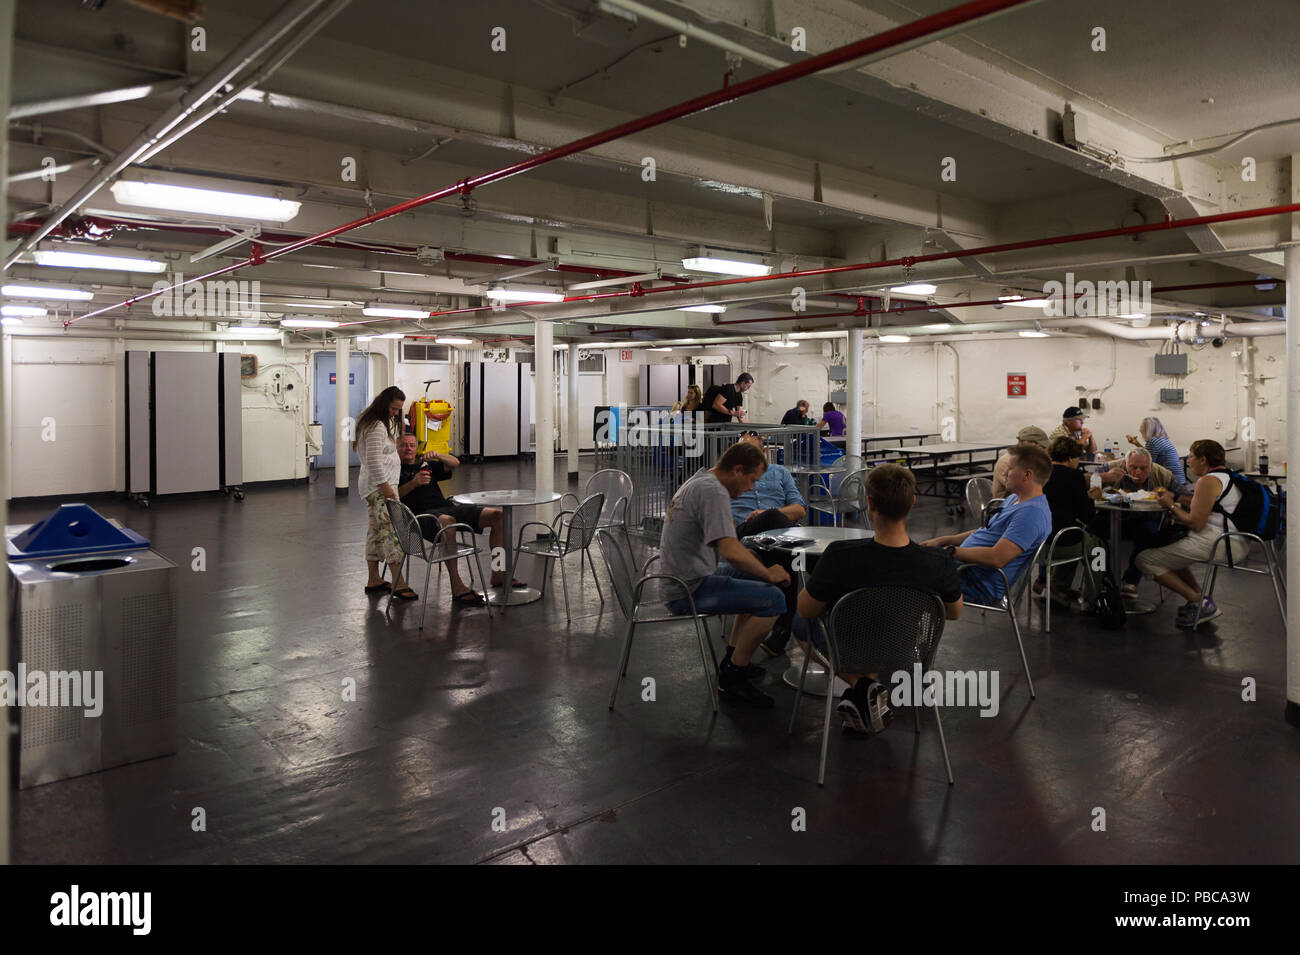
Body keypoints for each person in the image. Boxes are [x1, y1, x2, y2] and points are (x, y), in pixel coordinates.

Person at [794, 464, 963, 734]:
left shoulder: (840, 555)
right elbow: (954, 612)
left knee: (799, 624)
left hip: (848, 651)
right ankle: (868, 691)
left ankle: (861, 688)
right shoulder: (937, 563)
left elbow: (806, 609)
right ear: (912, 503)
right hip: (903, 654)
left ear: (869, 502)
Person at [659, 441, 791, 707]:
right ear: (737, 470)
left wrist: (756, 568)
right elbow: (730, 550)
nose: (752, 489)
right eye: (751, 480)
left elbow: (726, 541)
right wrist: (768, 573)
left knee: (753, 579)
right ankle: (733, 677)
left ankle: (733, 657)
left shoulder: (700, 479)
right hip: (688, 589)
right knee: (774, 599)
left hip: (679, 578)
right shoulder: (713, 492)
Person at [922, 442, 1053, 604]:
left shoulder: (1032, 514)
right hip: (965, 569)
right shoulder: (1014, 499)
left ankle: (914, 625)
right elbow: (986, 530)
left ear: (1027, 475)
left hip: (977, 583)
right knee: (909, 566)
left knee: (908, 577)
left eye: (1010, 468)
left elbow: (997, 558)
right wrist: (944, 540)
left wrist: (950, 551)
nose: (1004, 473)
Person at [396, 433, 517, 606]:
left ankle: (498, 573)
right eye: (404, 445)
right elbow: (393, 497)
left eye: (412, 445)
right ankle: (456, 584)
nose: (408, 448)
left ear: (417, 448)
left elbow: (455, 463)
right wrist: (414, 483)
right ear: (397, 448)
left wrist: (437, 455)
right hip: (420, 517)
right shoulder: (393, 469)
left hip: (446, 508)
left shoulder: (425, 465)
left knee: (497, 516)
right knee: (447, 522)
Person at [1138, 440, 1249, 628]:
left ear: (1203, 460)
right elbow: (1206, 507)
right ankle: (1202, 599)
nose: (1188, 461)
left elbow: (1196, 523)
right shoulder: (1228, 476)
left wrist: (1171, 505)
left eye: (1191, 457)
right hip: (1239, 540)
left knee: (1144, 559)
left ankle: (1198, 600)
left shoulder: (1208, 481)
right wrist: (1175, 499)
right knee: (1168, 550)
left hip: (1221, 543)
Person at [731, 431, 806, 658]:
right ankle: (787, 624)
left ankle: (782, 630)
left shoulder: (780, 473)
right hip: (743, 534)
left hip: (775, 538)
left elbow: (799, 508)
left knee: (783, 548)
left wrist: (770, 514)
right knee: (785, 540)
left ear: (763, 453)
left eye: (752, 452)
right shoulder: (732, 476)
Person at [356, 386, 417, 600]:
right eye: (393, 408)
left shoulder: (374, 423)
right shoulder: (377, 427)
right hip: (380, 489)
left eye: (399, 410)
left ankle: (374, 579)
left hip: (374, 488)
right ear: (384, 404)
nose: (396, 413)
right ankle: (398, 582)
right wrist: (386, 486)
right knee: (392, 534)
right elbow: (373, 459)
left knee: (375, 533)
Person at [1088, 448, 1171, 597]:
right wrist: (1105, 477)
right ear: (1126, 464)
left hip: (1143, 520)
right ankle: (1102, 577)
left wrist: (1170, 495)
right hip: (1113, 518)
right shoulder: (1113, 466)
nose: (1138, 472)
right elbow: (1090, 480)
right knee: (1092, 531)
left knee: (1148, 532)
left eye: (1143, 468)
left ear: (1151, 467)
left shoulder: (1162, 473)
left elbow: (1185, 496)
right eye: (1133, 467)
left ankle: (1131, 581)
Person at [1038, 436, 1100, 605]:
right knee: (1097, 546)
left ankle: (1057, 587)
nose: (1078, 462)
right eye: (1078, 458)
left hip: (1036, 543)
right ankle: (1094, 594)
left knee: (1074, 534)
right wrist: (1091, 499)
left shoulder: (1040, 473)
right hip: (1059, 543)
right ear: (1071, 458)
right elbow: (1086, 514)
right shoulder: (1074, 476)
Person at [1126, 416, 1188, 489]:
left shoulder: (1152, 442)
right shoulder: (1162, 439)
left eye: (1141, 427)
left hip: (1170, 482)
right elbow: (1148, 455)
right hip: (1180, 480)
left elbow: (1148, 464)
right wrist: (1136, 443)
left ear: (1148, 429)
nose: (1140, 430)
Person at [992, 426, 1049, 498]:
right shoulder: (1007, 462)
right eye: (1041, 446)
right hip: (1006, 506)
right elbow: (1024, 487)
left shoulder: (1029, 459)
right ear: (1027, 443)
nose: (1044, 450)